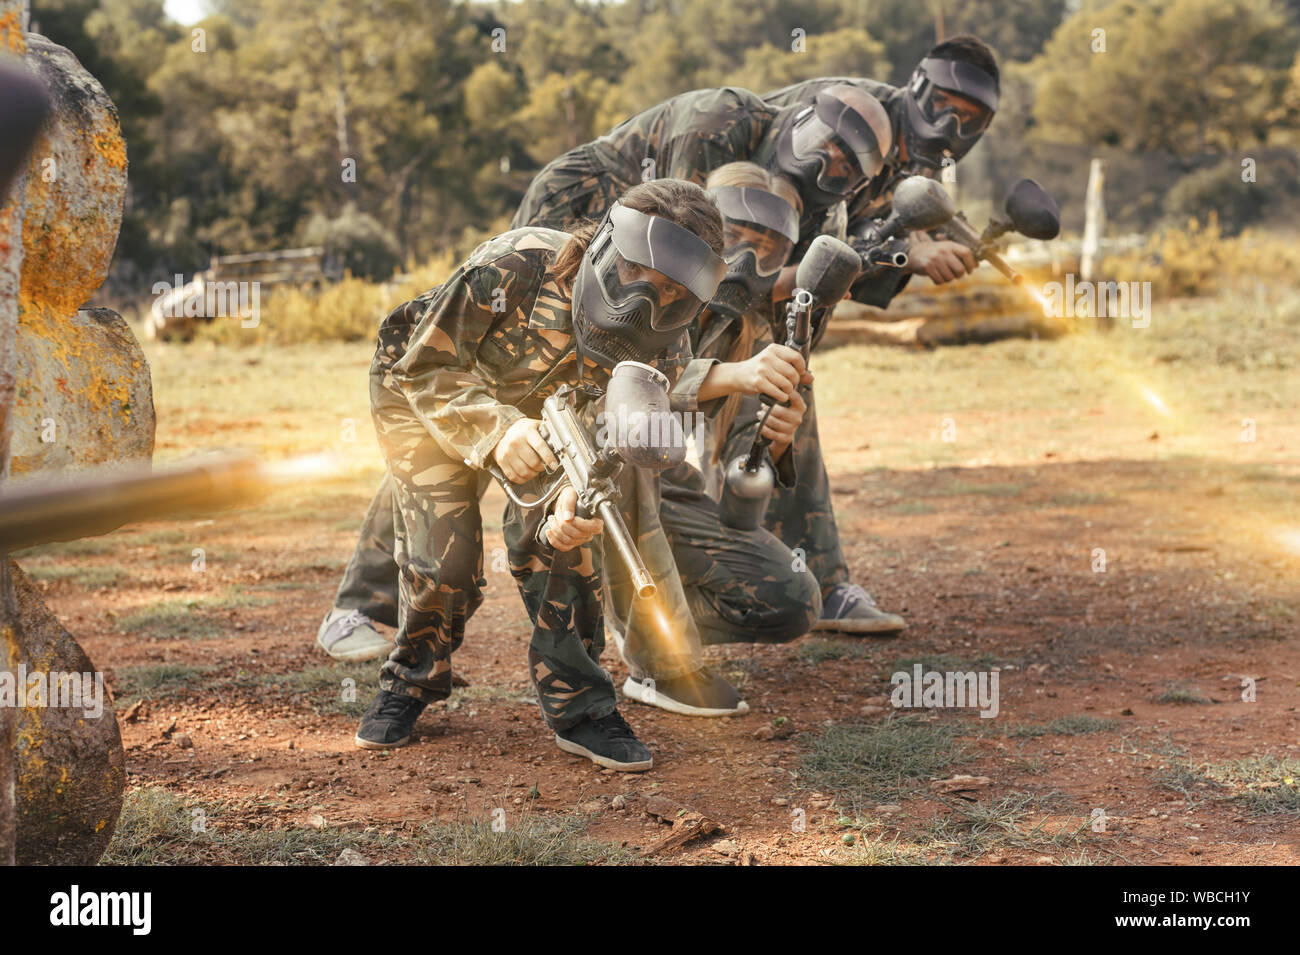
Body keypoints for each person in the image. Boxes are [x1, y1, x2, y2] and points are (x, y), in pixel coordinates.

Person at [317, 79, 897, 662]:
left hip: (628, 454)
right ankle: (363, 605)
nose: (748, 256)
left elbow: (714, 449)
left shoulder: (744, 315)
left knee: (621, 483)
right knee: (459, 441)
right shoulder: (705, 143)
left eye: (768, 248)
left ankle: (648, 628)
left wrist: (770, 441)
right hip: (563, 287)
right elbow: (432, 375)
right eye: (735, 234)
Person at [352, 178, 727, 773]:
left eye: (670, 292)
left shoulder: (665, 344)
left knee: (566, 548)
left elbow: (618, 429)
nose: (646, 304)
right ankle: (409, 681)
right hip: (426, 394)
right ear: (607, 252)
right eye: (638, 278)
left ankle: (582, 709)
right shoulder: (517, 265)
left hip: (553, 423)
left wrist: (572, 499)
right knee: (443, 558)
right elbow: (421, 364)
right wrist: (498, 432)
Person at [740, 35, 1001, 633]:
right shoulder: (850, 117)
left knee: (786, 405)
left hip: (770, 297)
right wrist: (908, 251)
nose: (950, 125)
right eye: (943, 105)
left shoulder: (921, 166)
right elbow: (803, 233)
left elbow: (852, 263)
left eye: (971, 119)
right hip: (721, 271)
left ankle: (817, 583)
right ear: (917, 86)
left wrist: (911, 254)